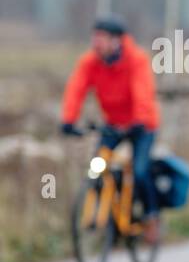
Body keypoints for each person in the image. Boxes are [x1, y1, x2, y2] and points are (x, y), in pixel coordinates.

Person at [60, 15, 163, 244]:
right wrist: (68, 120)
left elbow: (143, 92)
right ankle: (110, 220)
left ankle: (150, 216)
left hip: (142, 125)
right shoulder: (90, 62)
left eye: (102, 38)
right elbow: (76, 89)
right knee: (98, 168)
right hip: (113, 125)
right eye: (94, 37)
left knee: (140, 170)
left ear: (117, 40)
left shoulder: (136, 60)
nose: (96, 43)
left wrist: (139, 120)